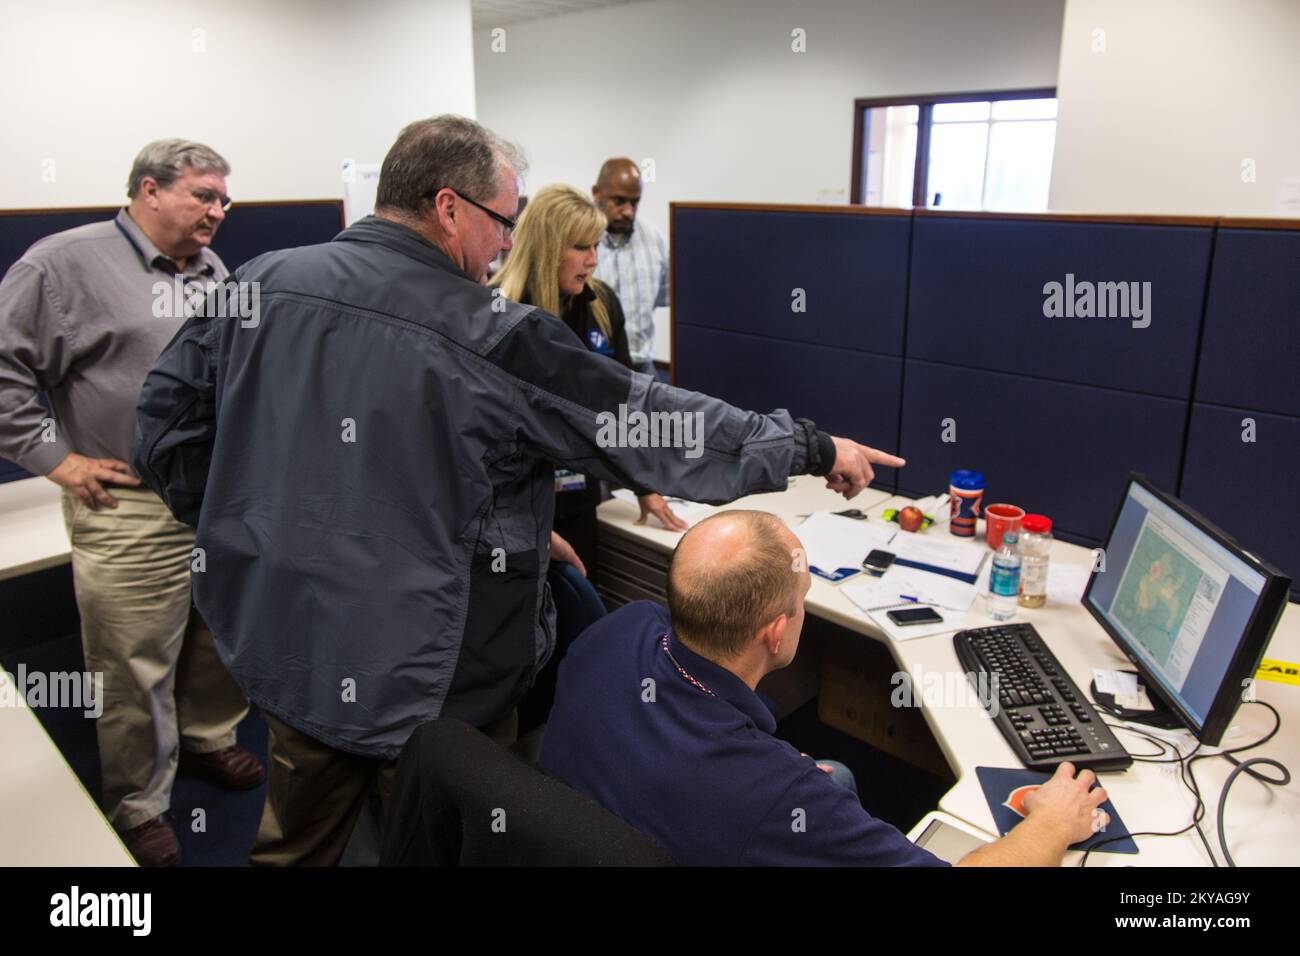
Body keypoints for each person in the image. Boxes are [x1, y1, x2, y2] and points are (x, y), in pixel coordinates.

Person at [133, 115, 903, 866]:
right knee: (438, 839)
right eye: (505, 219)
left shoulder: (263, 281)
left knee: (293, 841)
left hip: (292, 649)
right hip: (434, 685)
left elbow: (164, 428)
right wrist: (808, 445)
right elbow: (652, 425)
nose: (507, 240)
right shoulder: (492, 333)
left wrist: (254, 533)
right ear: (448, 207)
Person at [540, 510, 1111, 866]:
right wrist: (1054, 822)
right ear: (776, 632)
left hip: (596, 827)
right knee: (833, 784)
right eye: (802, 596)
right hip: (718, 819)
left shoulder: (621, 627)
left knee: (834, 777)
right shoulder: (778, 794)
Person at [0, 140, 262, 867]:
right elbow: (3, 372)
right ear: (149, 190)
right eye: (204, 195)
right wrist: (60, 460)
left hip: (214, 496)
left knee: (215, 633)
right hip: (129, 501)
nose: (218, 211)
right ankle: (140, 801)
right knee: (132, 660)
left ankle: (208, 737)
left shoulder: (213, 272)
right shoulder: (61, 266)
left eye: (223, 200)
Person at [490, 182, 687, 580]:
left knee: (579, 611)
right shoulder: (495, 311)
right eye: (581, 247)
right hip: (513, 508)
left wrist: (642, 484)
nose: (593, 260)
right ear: (548, 249)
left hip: (579, 497)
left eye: (597, 246)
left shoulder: (601, 305)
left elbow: (624, 408)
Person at [591, 158, 667, 378]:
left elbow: (663, 297)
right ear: (596, 193)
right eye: (619, 201)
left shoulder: (655, 241)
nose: (628, 212)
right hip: (597, 364)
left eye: (635, 202)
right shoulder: (580, 242)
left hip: (643, 366)